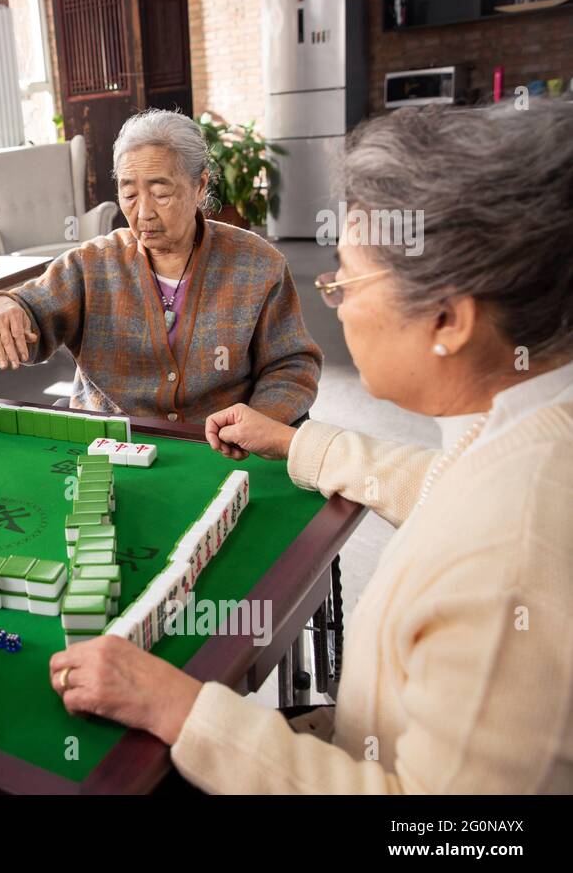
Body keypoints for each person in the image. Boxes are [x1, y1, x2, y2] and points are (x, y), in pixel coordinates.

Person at [47, 99, 573, 793]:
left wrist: (177, 706)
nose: (332, 295)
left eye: (348, 279)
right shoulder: (527, 430)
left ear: (448, 317)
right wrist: (299, 443)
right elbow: (455, 485)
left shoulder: (510, 559)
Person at [0, 108, 321, 425]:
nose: (143, 213)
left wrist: (260, 421)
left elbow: (289, 364)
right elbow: (30, 307)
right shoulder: (92, 264)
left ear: (199, 186)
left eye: (161, 193)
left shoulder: (257, 264)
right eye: (129, 194)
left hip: (217, 447)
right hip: (112, 445)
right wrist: (3, 307)